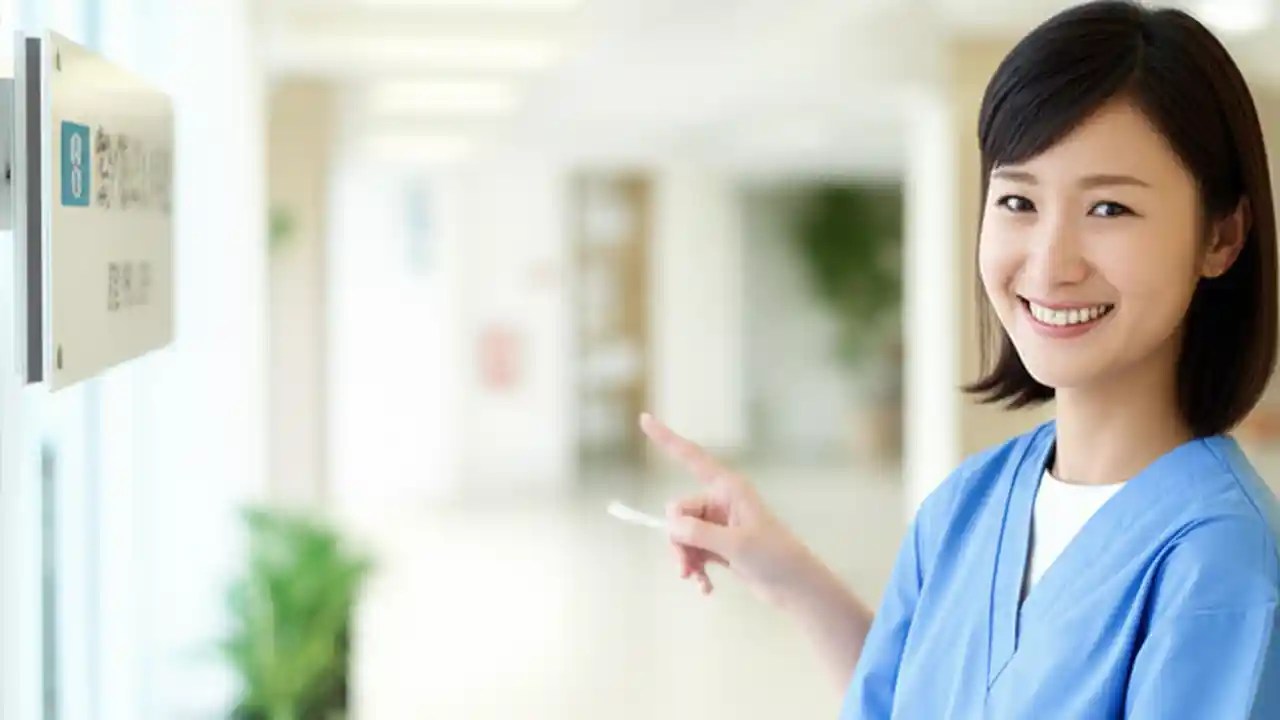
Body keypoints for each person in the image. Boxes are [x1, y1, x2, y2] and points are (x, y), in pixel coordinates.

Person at [639, 1, 1280, 717]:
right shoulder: (968, 504)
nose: (1049, 263)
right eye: (1017, 200)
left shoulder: (1218, 565)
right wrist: (791, 577)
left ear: (1220, 238)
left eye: (1108, 209)